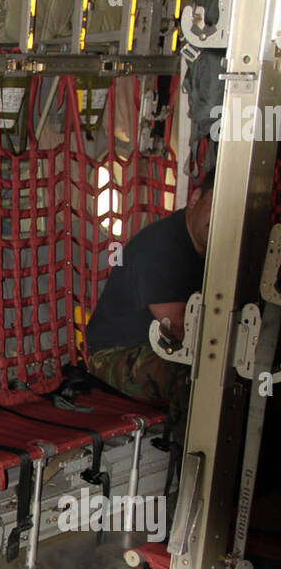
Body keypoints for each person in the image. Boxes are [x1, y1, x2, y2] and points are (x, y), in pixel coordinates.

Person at [85, 171, 214, 404]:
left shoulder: (213, 250)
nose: (221, 220)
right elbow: (179, 328)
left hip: (163, 351)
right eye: (216, 208)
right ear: (195, 199)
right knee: (199, 380)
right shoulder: (160, 247)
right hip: (117, 355)